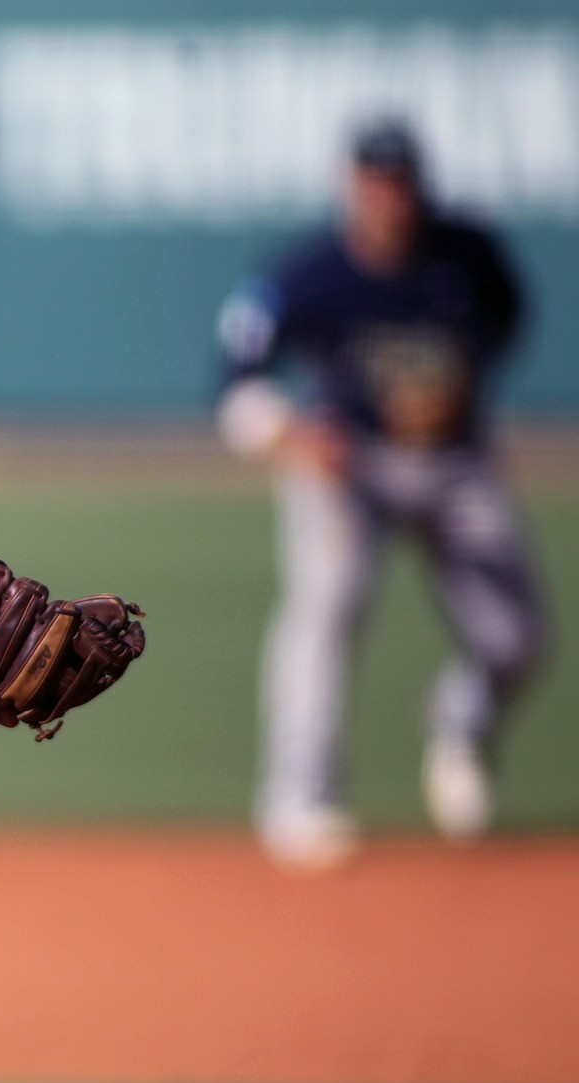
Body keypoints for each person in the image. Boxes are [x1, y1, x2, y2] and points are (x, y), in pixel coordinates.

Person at [214, 117, 547, 872]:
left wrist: (460, 384)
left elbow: (507, 320)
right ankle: (300, 798)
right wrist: (295, 438)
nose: (389, 196)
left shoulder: (465, 254)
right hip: (349, 462)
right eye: (375, 180)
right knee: (324, 608)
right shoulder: (310, 272)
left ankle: (461, 715)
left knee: (520, 637)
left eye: (400, 181)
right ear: (351, 183)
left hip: (454, 460)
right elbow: (235, 379)